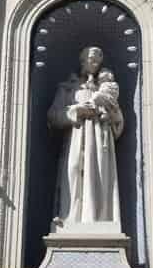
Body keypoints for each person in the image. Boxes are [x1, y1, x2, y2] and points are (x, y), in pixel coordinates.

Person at [48, 45, 124, 230]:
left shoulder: (105, 89)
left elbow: (118, 120)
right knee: (73, 170)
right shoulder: (68, 88)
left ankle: (98, 219)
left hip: (99, 139)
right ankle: (69, 218)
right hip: (76, 138)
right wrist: (77, 110)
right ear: (83, 60)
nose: (95, 63)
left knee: (98, 176)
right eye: (92, 59)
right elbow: (53, 116)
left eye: (98, 60)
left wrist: (110, 113)